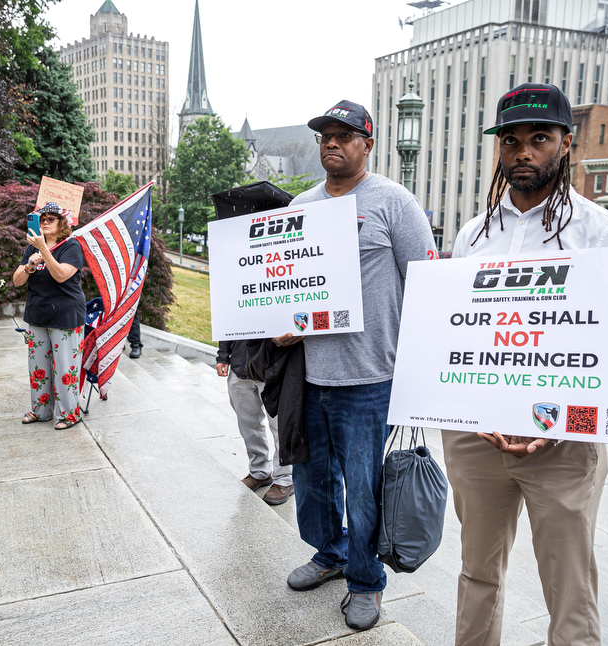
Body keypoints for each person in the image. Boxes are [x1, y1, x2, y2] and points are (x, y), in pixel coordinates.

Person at [442, 83, 608, 646]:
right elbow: (459, 339)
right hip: (478, 439)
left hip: (565, 445)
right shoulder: (472, 236)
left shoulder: (605, 235)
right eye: (511, 140)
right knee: (477, 573)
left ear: (566, 142)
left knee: (570, 588)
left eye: (539, 138)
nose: (523, 151)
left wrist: (562, 420)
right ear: (499, 148)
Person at [275, 100, 436, 631]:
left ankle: (366, 583)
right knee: (314, 480)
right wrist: (279, 321)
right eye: (325, 136)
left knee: (364, 490)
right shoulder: (301, 205)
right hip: (309, 375)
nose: (333, 144)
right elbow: (284, 284)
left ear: (368, 144)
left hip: (370, 379)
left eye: (345, 136)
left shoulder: (395, 202)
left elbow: (426, 287)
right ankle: (331, 554)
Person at [13, 202, 87, 429]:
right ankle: (41, 411)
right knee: (38, 368)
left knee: (65, 368)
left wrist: (43, 251)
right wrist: (29, 265)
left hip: (66, 316)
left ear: (62, 223)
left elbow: (62, 275)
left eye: (50, 219)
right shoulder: (32, 248)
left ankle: (69, 415)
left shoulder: (71, 247)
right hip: (38, 315)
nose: (45, 221)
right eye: (41, 218)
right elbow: (17, 281)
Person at [216, 340, 294, 505]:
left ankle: (285, 479)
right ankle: (260, 471)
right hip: (239, 365)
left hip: (274, 365)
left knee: (281, 427)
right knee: (248, 425)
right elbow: (227, 319)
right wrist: (223, 355)